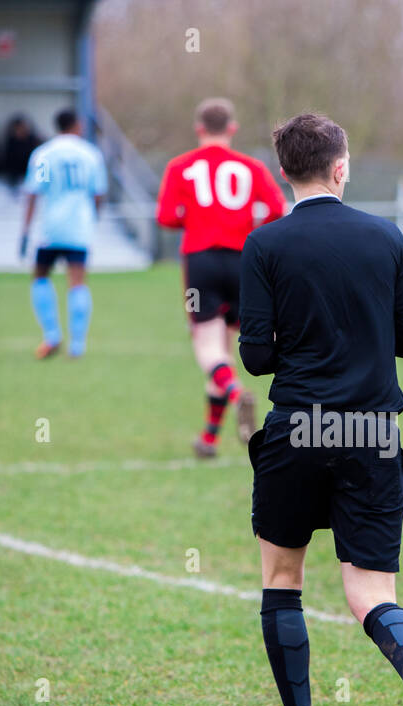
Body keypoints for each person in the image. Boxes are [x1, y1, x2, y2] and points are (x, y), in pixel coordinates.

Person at [238, 112, 403, 706]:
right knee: (368, 591)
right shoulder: (385, 236)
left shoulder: (265, 243)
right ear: (340, 167)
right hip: (371, 432)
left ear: (284, 172)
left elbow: (253, 357)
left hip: (299, 428)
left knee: (282, 580)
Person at [156, 98, 286, 458]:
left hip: (200, 260)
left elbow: (166, 217)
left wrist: (197, 220)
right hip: (243, 258)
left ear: (199, 128)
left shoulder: (180, 166)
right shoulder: (251, 167)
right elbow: (276, 209)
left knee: (207, 348)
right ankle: (210, 438)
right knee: (227, 346)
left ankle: (235, 394)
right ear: (232, 129)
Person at [19, 109, 108, 359]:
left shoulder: (45, 155)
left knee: (40, 275)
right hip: (79, 226)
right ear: (77, 125)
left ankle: (52, 334)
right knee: (77, 281)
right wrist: (93, 218)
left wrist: (25, 230)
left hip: (51, 226)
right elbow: (98, 193)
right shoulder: (90, 154)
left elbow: (35, 191)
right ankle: (77, 345)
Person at [4, 116, 43, 192]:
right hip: (16, 178)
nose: (20, 131)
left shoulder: (34, 141)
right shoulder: (11, 143)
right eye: (17, 129)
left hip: (31, 175)